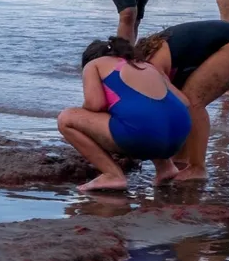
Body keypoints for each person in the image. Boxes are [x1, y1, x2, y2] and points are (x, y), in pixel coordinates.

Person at [60, 36, 193, 192]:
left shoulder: (93, 65)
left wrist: (85, 115)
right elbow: (184, 101)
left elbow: (95, 104)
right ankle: (165, 167)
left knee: (66, 118)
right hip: (180, 136)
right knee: (148, 113)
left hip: (141, 135)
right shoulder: (148, 66)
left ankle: (112, 175)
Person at [146, 20, 229, 181]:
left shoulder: (148, 65)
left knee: (192, 100)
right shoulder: (143, 62)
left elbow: (174, 105)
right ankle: (182, 160)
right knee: (185, 100)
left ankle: (197, 167)